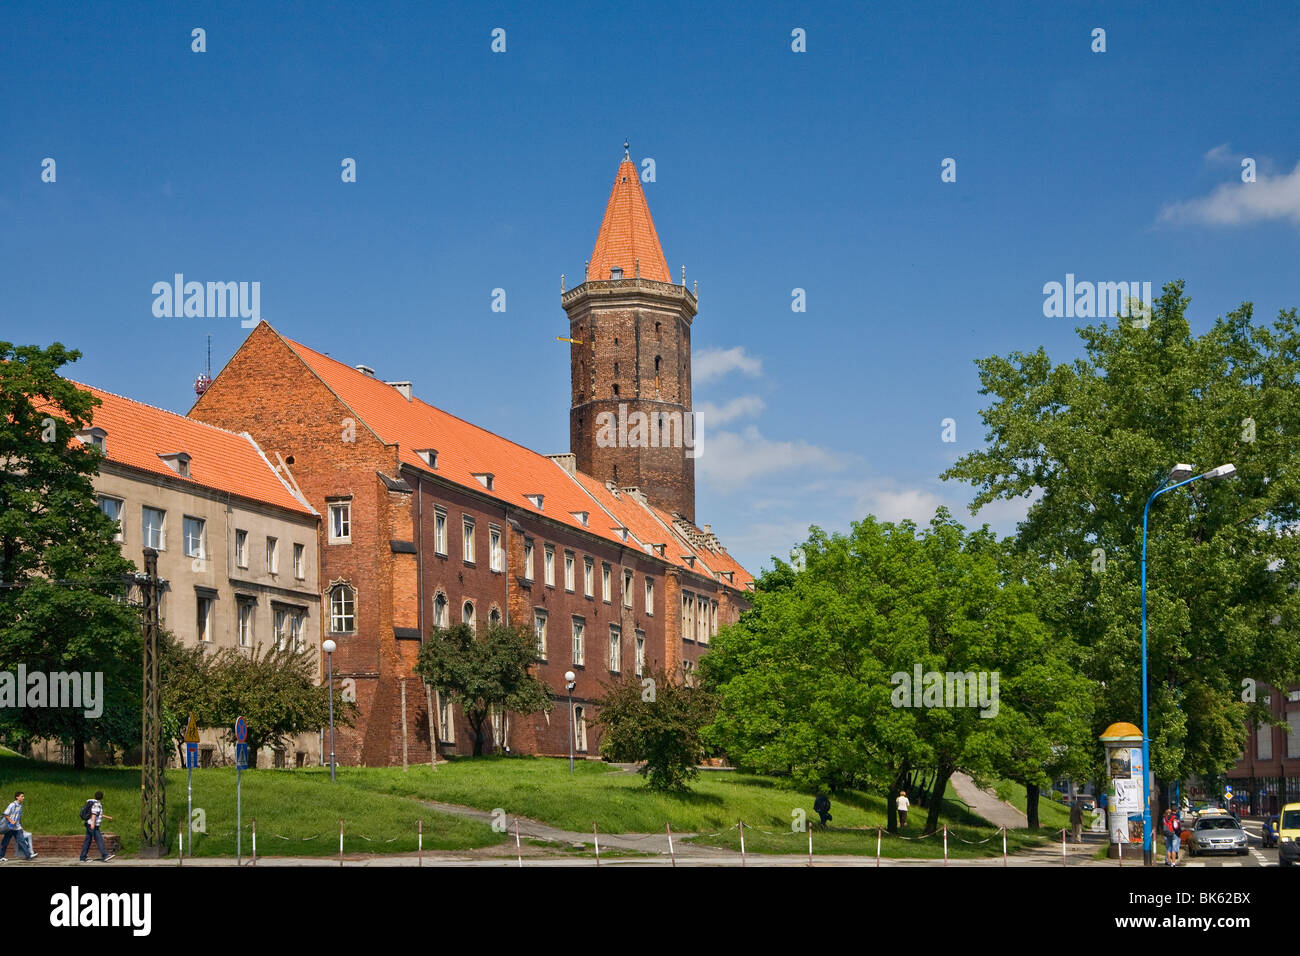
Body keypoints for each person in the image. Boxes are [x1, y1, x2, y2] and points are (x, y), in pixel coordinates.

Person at [79, 790, 115, 863]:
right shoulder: (97, 804)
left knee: (87, 841)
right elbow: (94, 814)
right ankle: (105, 855)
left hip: (88, 824)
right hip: (93, 825)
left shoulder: (93, 803)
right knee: (99, 840)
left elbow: (97, 813)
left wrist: (108, 817)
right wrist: (92, 824)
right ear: (102, 797)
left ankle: (82, 857)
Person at [0, 792, 37, 861]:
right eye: (22, 796)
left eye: (23, 796)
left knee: (22, 841)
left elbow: (18, 817)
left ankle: (28, 856)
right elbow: (5, 814)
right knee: (5, 842)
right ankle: (1, 856)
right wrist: (11, 821)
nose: (23, 798)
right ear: (17, 797)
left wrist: (20, 826)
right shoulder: (12, 805)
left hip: (17, 828)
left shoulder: (20, 806)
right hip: (10, 827)